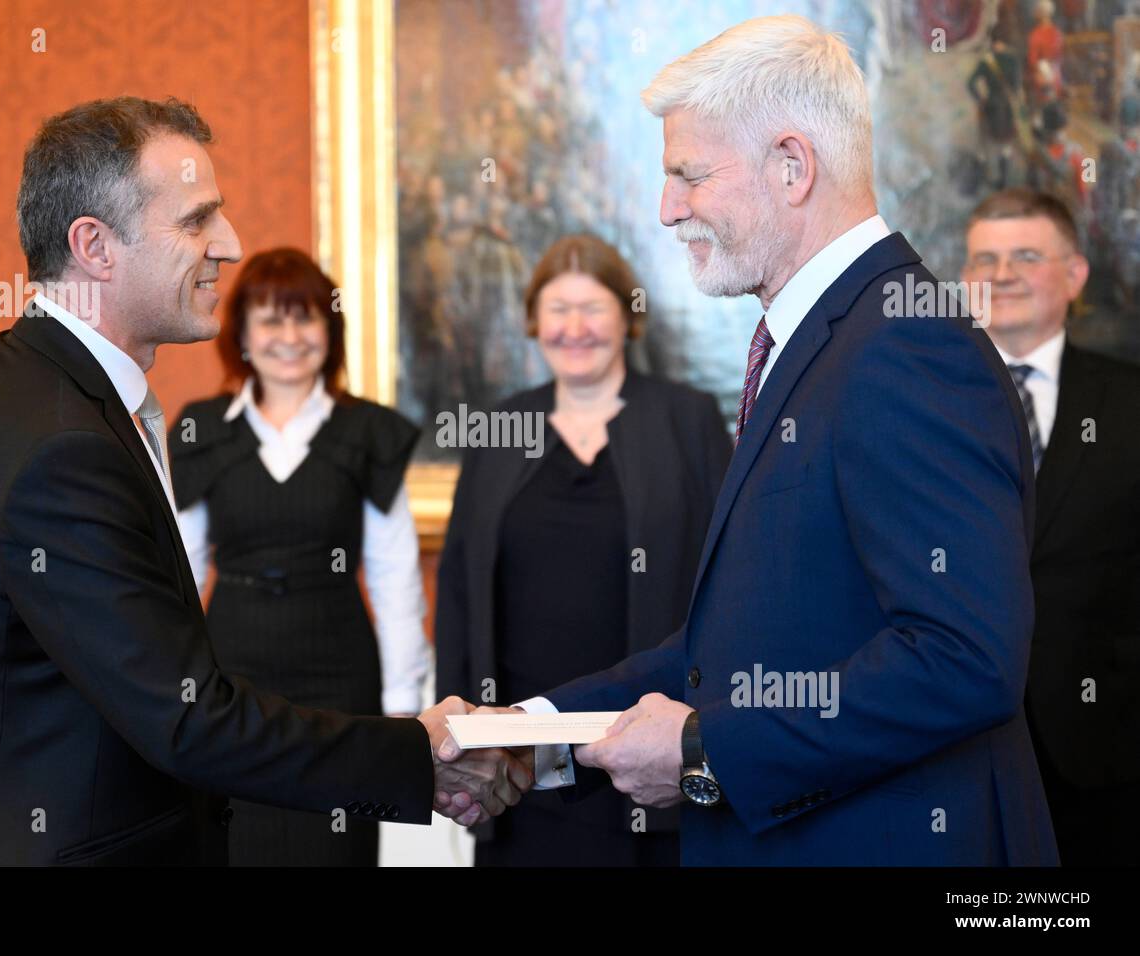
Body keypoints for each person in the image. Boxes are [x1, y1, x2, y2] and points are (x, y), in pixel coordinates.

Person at [460, 15, 1058, 866]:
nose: (667, 210)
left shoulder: (904, 347)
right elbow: (735, 652)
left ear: (792, 166)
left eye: (689, 176)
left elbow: (965, 660)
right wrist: (531, 729)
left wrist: (704, 751)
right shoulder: (819, 341)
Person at [0, 96, 528, 866]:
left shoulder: (22, 383)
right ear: (94, 245)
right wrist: (415, 753)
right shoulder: (61, 442)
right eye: (197, 221)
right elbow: (185, 719)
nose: (228, 245)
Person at [436, 235, 731, 866]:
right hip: (519, 763)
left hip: (649, 756)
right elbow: (460, 594)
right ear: (533, 321)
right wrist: (463, 743)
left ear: (628, 318)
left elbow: (731, 580)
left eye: (592, 308)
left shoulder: (688, 420)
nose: (575, 328)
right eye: (557, 309)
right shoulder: (498, 430)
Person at [169, 248, 429, 866]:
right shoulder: (201, 431)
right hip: (231, 678)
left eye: (305, 318)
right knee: (234, 845)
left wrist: (402, 713)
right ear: (243, 336)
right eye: (270, 320)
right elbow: (177, 570)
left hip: (341, 678)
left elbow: (397, 581)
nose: (289, 337)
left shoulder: (369, 434)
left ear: (329, 332)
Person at [962, 188, 1140, 866]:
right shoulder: (919, 402)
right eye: (985, 259)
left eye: (1026, 256)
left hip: (1105, 751)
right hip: (953, 744)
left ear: (1075, 274)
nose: (1001, 275)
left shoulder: (1129, 402)